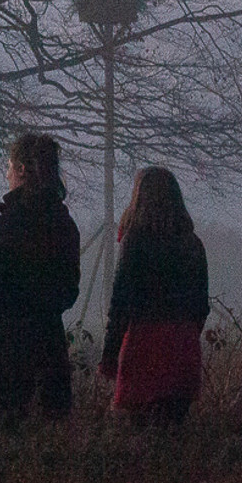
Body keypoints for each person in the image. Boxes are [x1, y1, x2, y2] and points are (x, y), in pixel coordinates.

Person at [0, 132, 82, 428]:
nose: (6, 175)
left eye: (8, 166)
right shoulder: (64, 224)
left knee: (6, 447)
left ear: (20, 170)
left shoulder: (9, 224)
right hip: (49, 351)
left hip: (7, 358)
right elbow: (69, 291)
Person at [99, 166, 210, 426]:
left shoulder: (135, 241)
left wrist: (109, 356)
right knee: (175, 431)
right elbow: (201, 307)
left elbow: (120, 304)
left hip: (142, 346)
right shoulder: (193, 244)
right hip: (183, 347)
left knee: (141, 434)